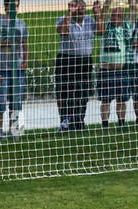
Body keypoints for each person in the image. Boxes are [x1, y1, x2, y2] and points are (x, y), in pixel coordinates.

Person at [0, 0, 27, 136]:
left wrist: (26, 61)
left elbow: (25, 43)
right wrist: (5, 43)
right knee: (0, 101)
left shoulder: (21, 24)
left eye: (16, 5)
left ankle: (14, 130)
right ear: (5, 6)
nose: (13, 7)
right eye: (10, 4)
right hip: (1, 68)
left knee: (17, 101)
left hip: (18, 68)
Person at [56, 0, 96, 131]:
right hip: (67, 59)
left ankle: (79, 121)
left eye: (83, 8)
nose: (81, 11)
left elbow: (101, 31)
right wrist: (69, 13)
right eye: (78, 8)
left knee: (83, 93)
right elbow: (62, 31)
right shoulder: (63, 19)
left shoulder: (90, 20)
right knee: (65, 93)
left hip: (84, 60)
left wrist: (98, 13)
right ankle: (65, 122)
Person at [93, 0, 133, 128]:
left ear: (123, 18)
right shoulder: (105, 25)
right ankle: (105, 124)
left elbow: (133, 8)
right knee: (105, 100)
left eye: (119, 16)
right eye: (114, 15)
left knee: (121, 99)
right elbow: (105, 9)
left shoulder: (126, 26)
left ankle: (121, 123)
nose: (115, 18)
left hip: (121, 69)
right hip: (105, 69)